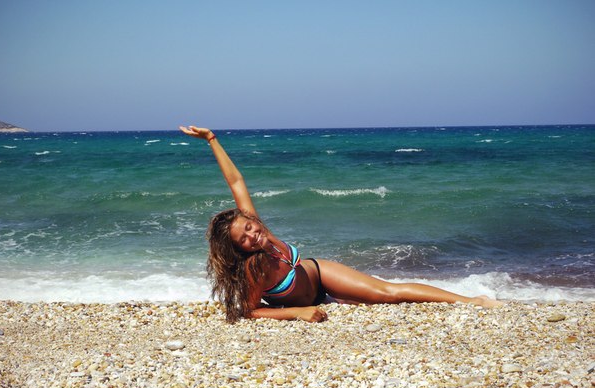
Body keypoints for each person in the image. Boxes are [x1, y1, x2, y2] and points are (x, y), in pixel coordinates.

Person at [180, 125, 503, 323]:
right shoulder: (253, 270)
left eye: (250, 227)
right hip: (312, 297)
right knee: (375, 302)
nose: (253, 234)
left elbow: (236, 182)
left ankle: (472, 301)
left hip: (318, 273)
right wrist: (296, 312)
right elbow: (250, 311)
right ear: (238, 249)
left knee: (387, 292)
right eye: (244, 239)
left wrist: (211, 138)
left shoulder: (259, 228)